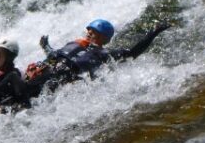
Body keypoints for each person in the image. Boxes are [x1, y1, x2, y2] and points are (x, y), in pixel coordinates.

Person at [23, 18, 171, 98]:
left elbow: (133, 52)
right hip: (46, 71)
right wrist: (46, 46)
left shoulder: (105, 54)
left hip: (62, 79)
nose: (88, 32)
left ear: (103, 37)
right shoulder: (75, 44)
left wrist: (155, 32)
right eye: (88, 29)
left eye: (93, 31)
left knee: (28, 94)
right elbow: (54, 55)